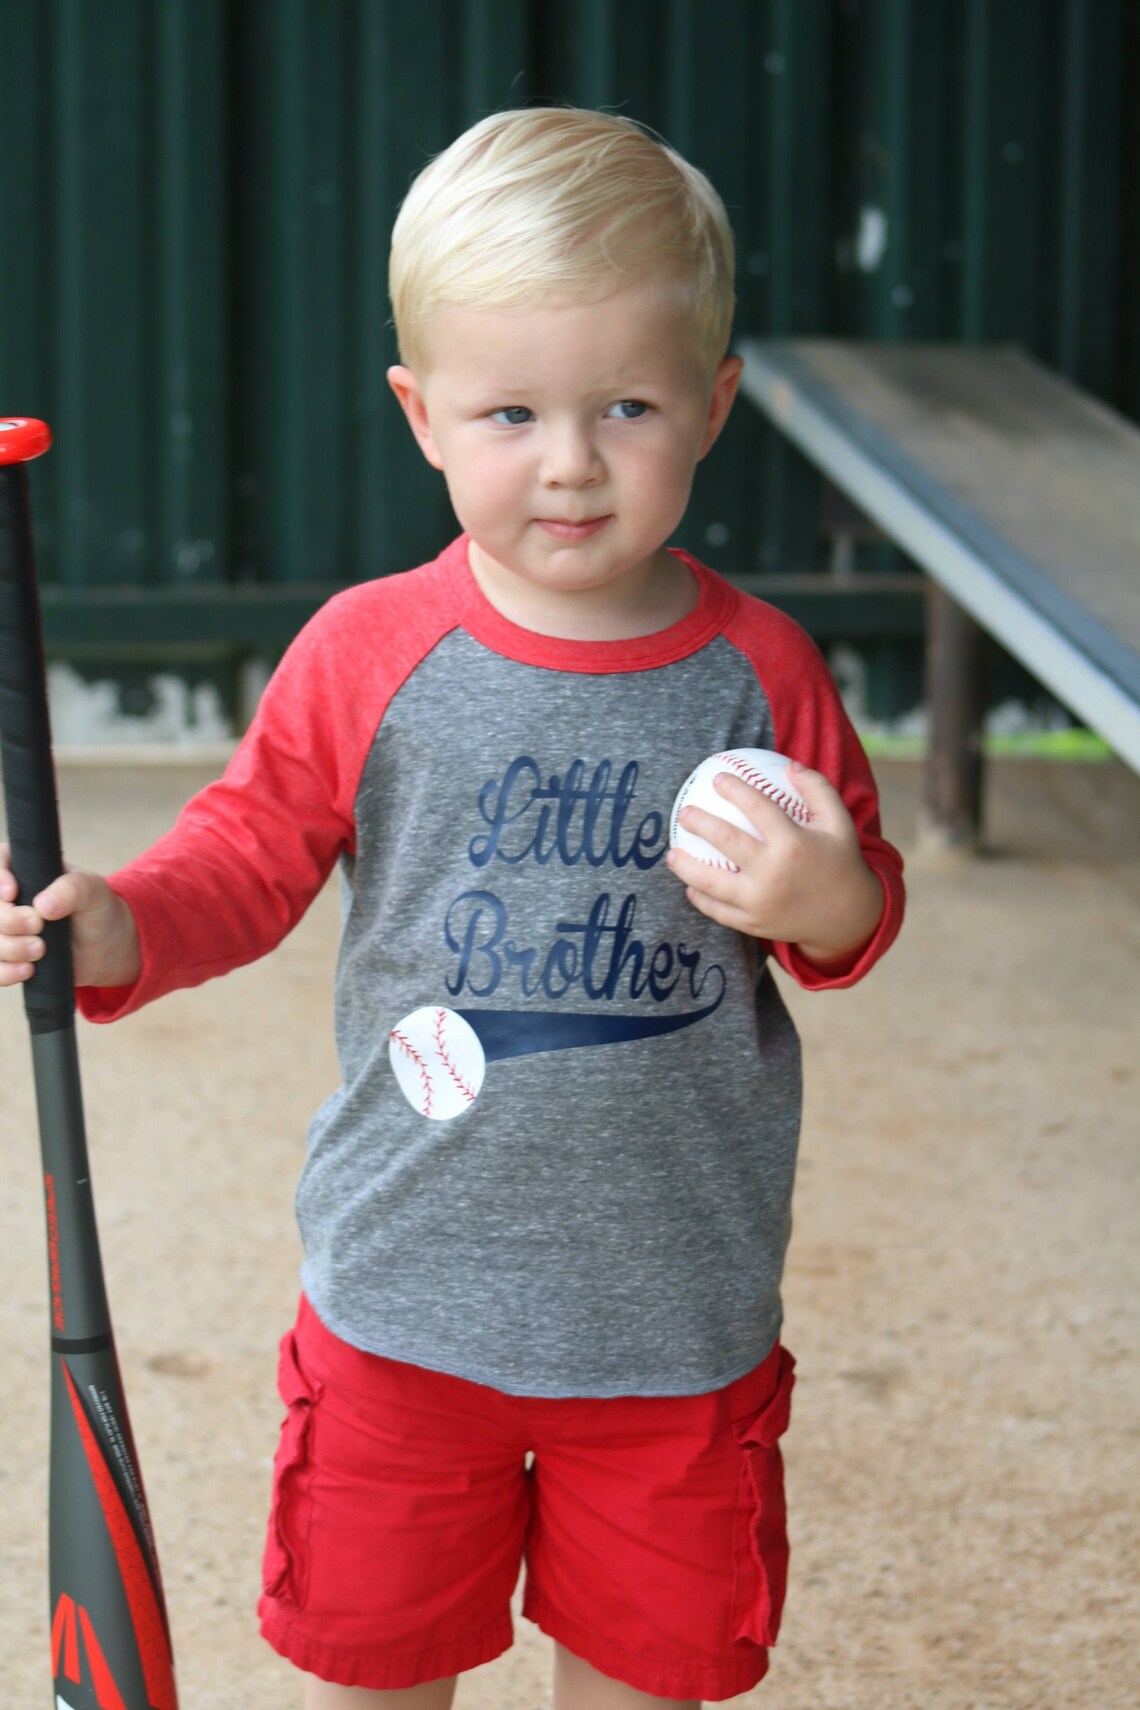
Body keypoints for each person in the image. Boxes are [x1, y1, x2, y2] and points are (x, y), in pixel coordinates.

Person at [0, 107, 904, 1709]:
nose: (569, 459)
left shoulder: (758, 675)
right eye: (512, 411)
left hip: (675, 1317)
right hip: (405, 1305)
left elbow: (850, 921)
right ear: (424, 416)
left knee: (649, 1672)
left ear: (714, 402)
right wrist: (119, 920)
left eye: (627, 404)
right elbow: (245, 853)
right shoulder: (369, 651)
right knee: (379, 1670)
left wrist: (826, 888)